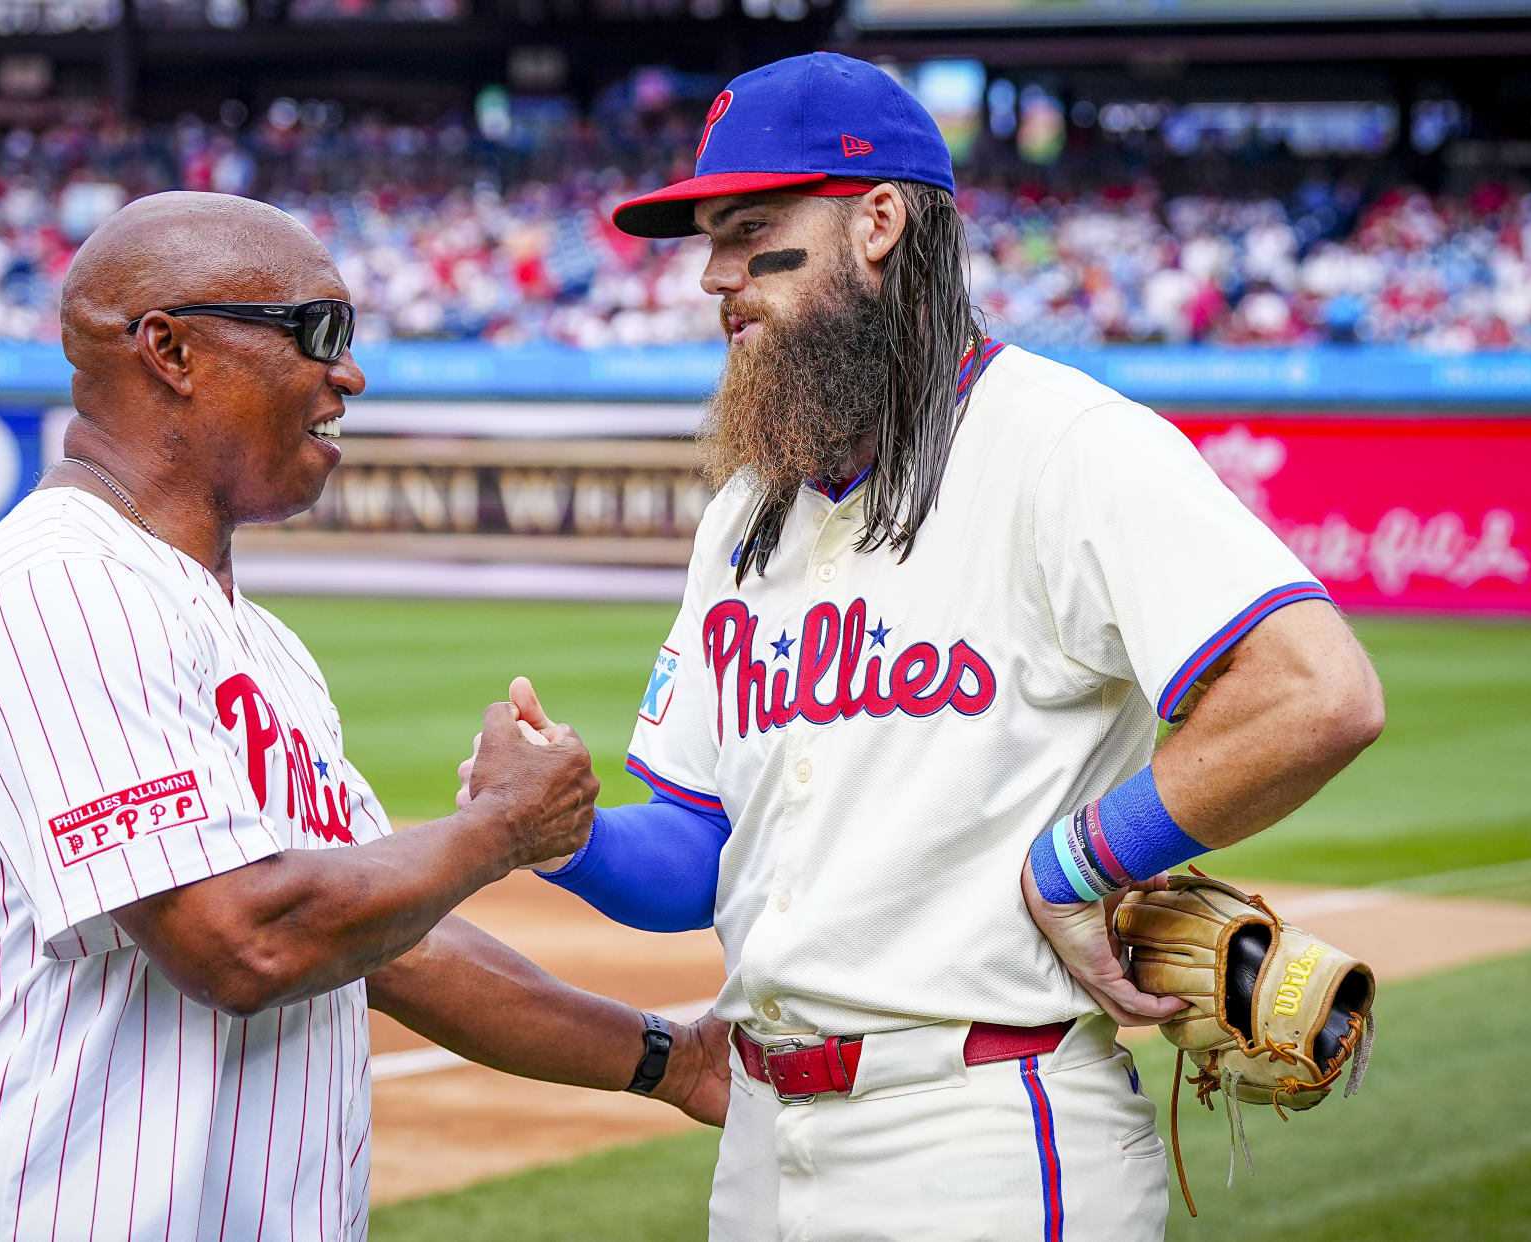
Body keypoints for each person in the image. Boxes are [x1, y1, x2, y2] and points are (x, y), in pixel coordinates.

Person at [471, 53, 1386, 1241]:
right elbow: (705, 856)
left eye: (752, 234)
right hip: (761, 1134)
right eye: (708, 240)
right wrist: (561, 831)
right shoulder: (746, 512)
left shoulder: (1064, 445)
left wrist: (1077, 865)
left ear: (877, 223)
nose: (714, 278)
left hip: (986, 1126)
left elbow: (1316, 692)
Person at [0, 190, 729, 1242]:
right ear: (171, 351)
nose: (349, 374)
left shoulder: (263, 647)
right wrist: (500, 830)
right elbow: (241, 941)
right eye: (316, 331)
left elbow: (392, 946)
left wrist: (671, 1059)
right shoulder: (61, 585)